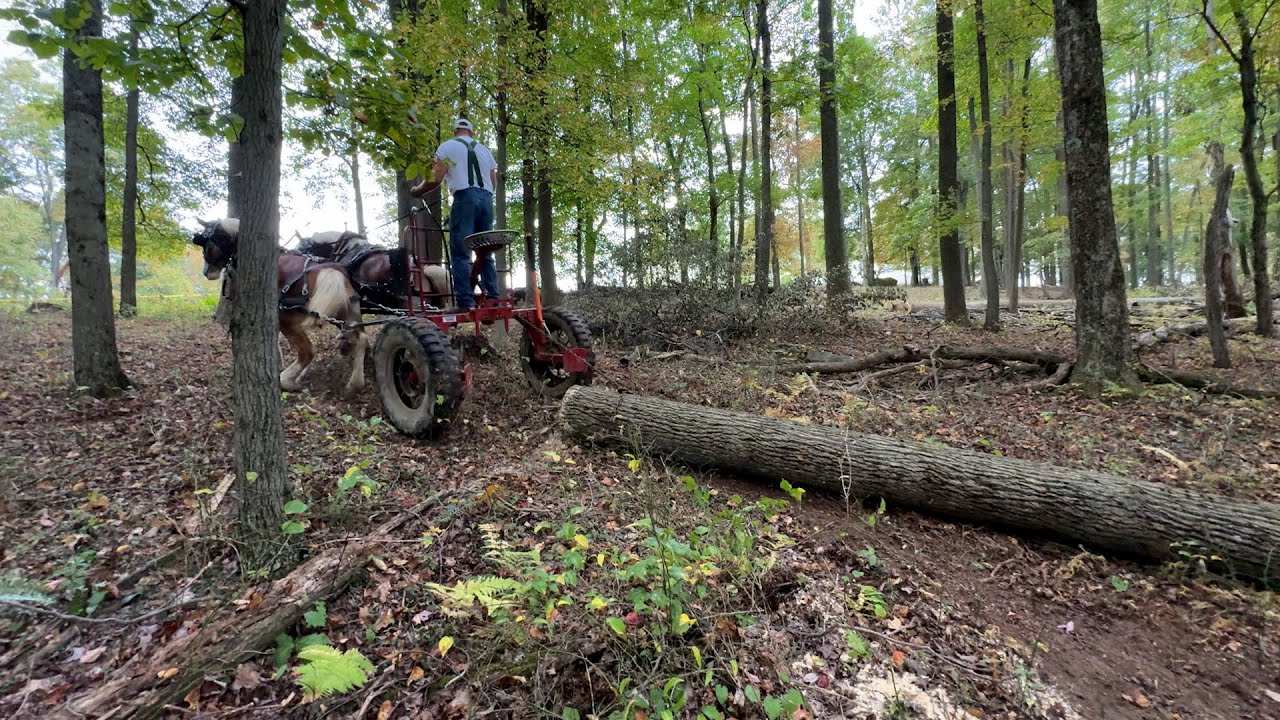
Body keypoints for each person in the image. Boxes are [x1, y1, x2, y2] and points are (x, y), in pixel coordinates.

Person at [411, 118, 500, 310]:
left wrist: (417, 191)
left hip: (464, 198)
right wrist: (481, 196)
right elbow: (493, 181)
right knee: (485, 251)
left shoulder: (447, 147)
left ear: (455, 131)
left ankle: (465, 302)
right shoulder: (485, 150)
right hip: (486, 200)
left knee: (461, 253)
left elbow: (436, 178)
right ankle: (493, 296)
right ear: (472, 132)